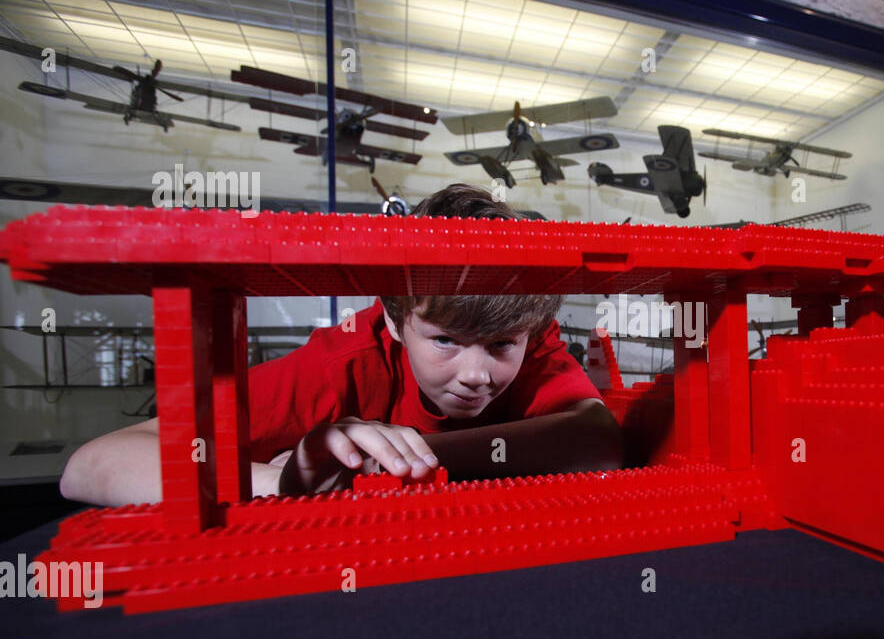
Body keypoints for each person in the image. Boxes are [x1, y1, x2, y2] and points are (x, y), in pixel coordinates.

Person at [59, 185, 623, 507]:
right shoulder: (343, 363)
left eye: (500, 345)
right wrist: (279, 478)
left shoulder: (529, 328)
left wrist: (386, 468)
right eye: (445, 341)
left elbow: (596, 440)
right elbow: (88, 465)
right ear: (396, 321)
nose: (477, 373)